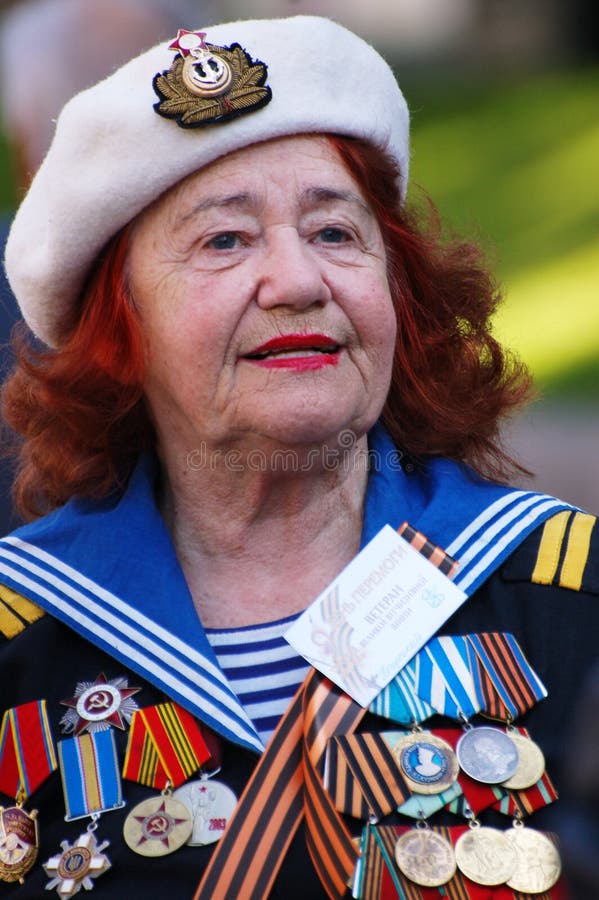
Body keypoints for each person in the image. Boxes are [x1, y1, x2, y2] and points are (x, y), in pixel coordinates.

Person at [0, 15, 596, 899]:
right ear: (121, 330)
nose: (299, 281)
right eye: (225, 241)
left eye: (333, 233)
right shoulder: (22, 635)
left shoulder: (570, 599)